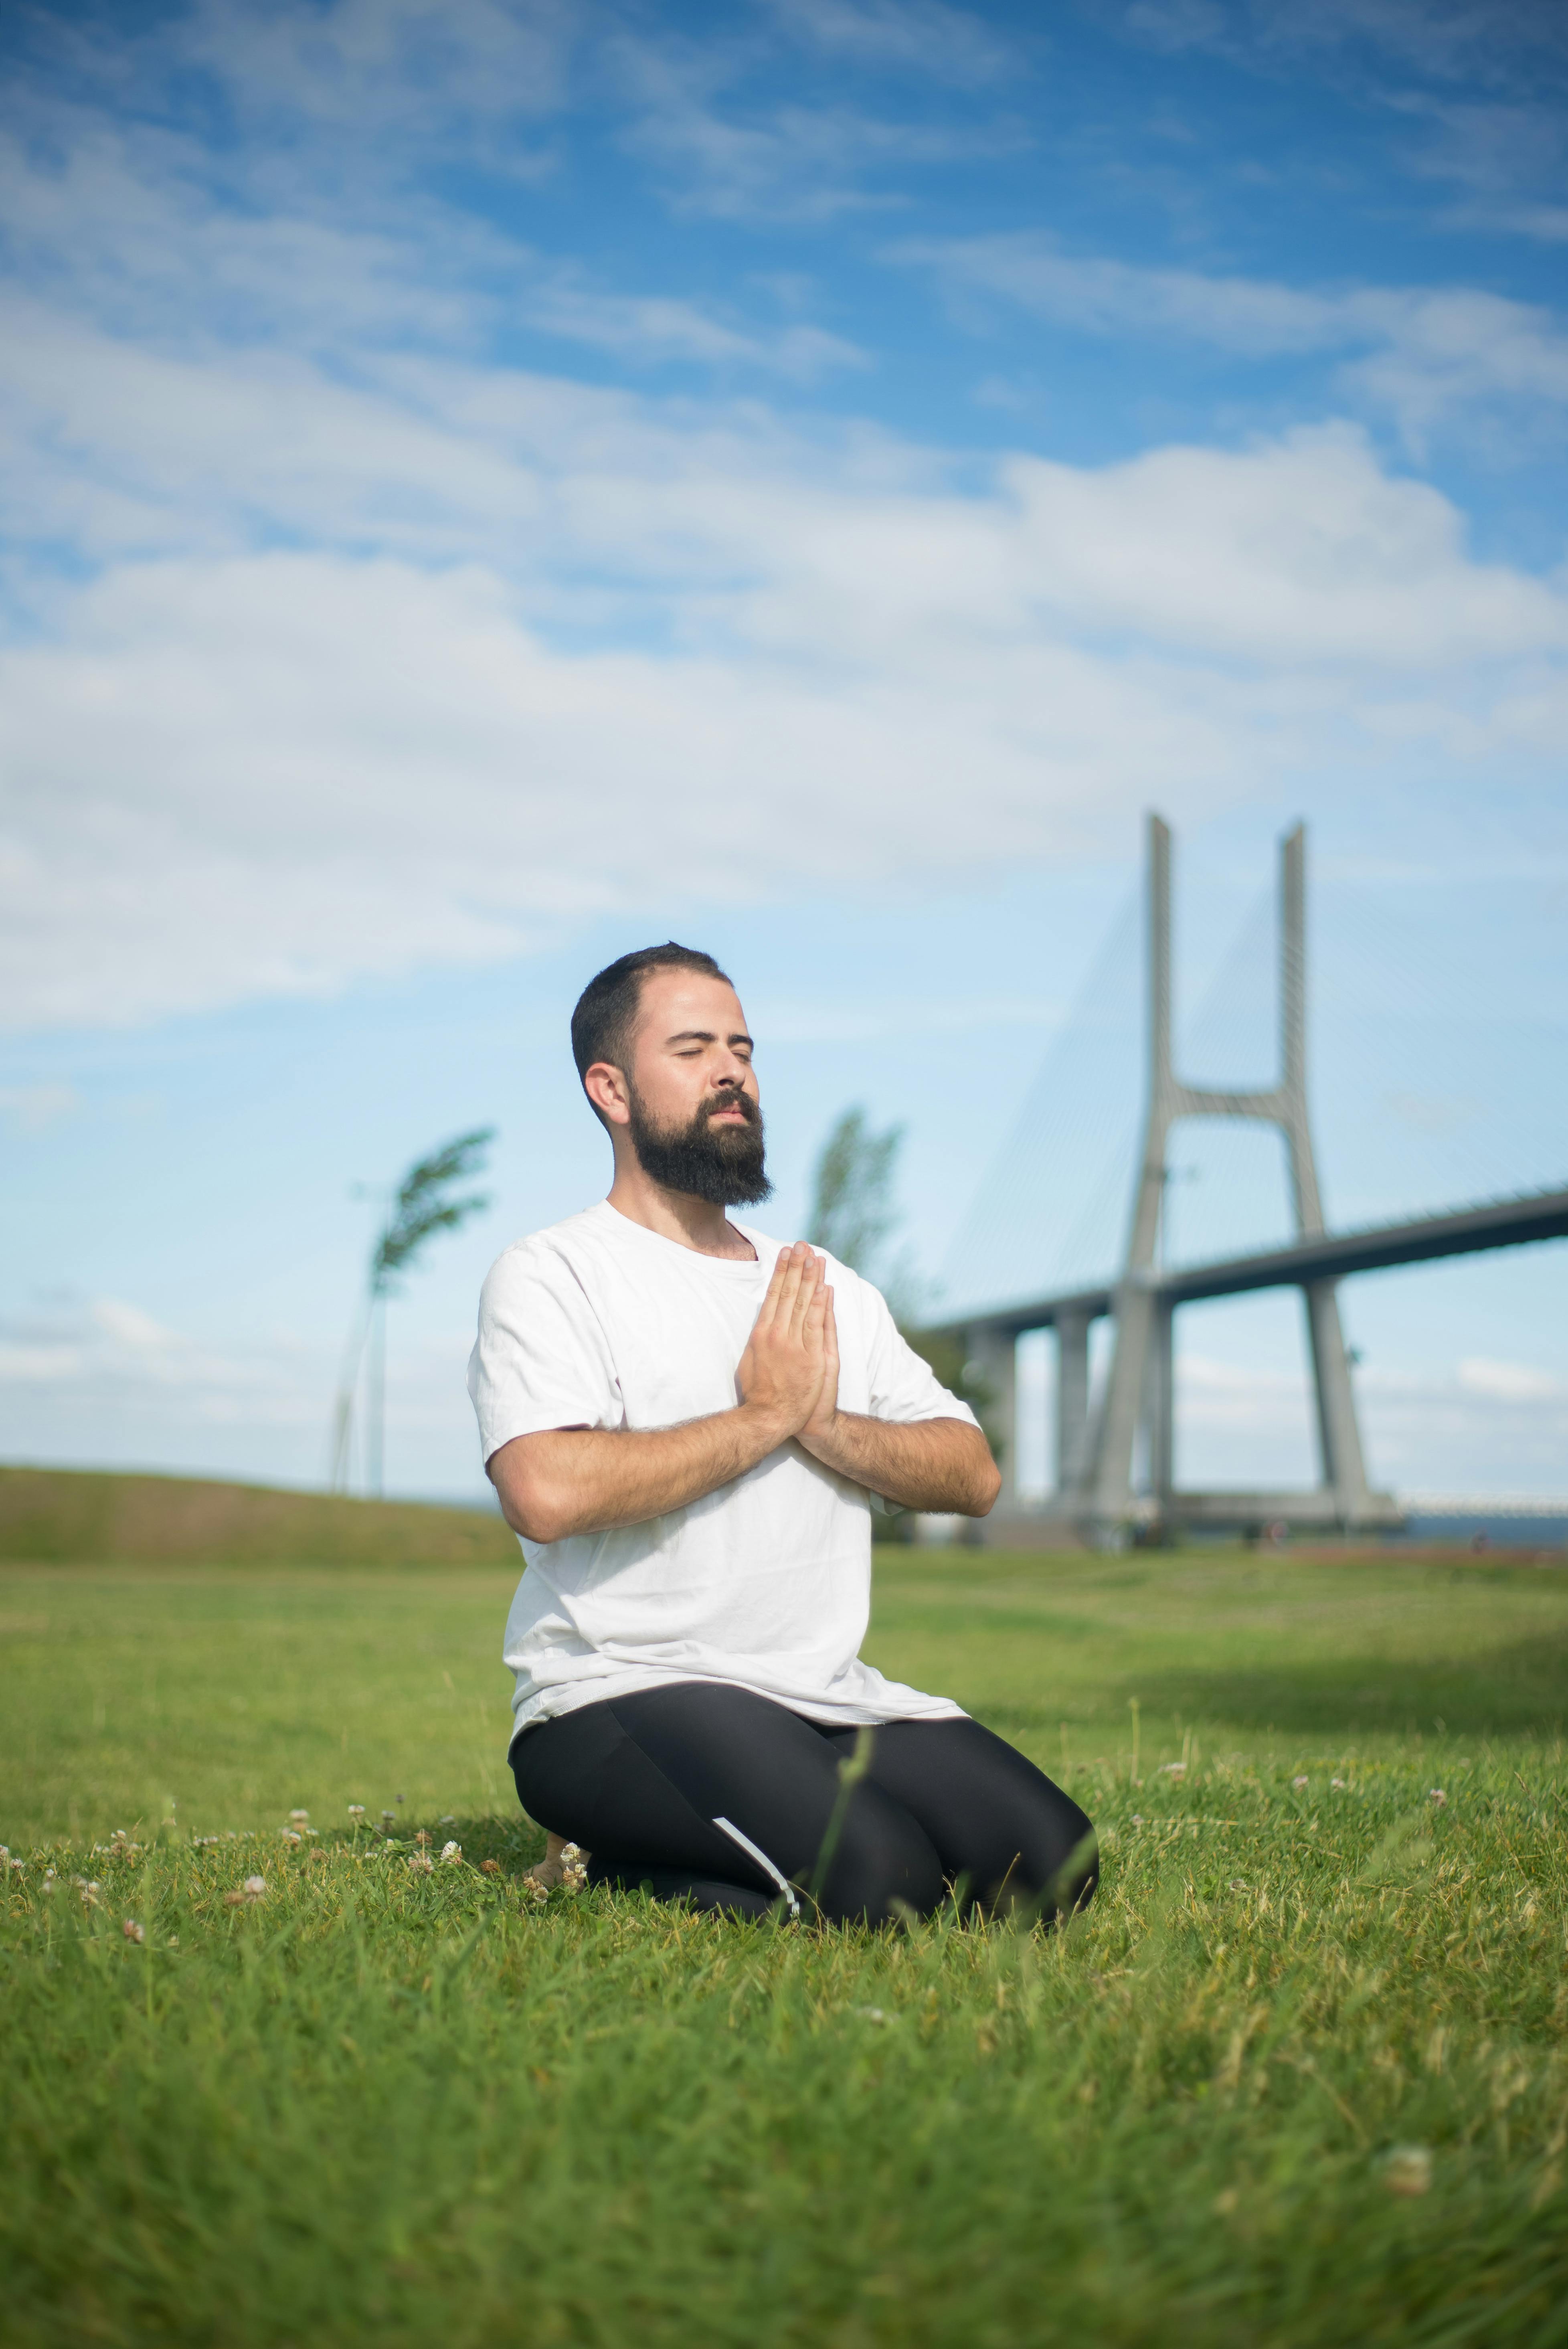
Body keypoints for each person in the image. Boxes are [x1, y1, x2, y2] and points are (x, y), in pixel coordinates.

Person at [468, 943, 1097, 1926]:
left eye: (743, 1049)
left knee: (1051, 1871)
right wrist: (762, 1416)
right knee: (883, 1887)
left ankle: (677, 1845)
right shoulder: (553, 1271)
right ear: (612, 1088)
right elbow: (545, 1490)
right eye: (692, 1048)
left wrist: (816, 1417)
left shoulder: (823, 1285)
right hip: (617, 1691)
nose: (733, 1072)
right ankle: (607, 1856)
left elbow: (971, 1474)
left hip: (822, 1691)